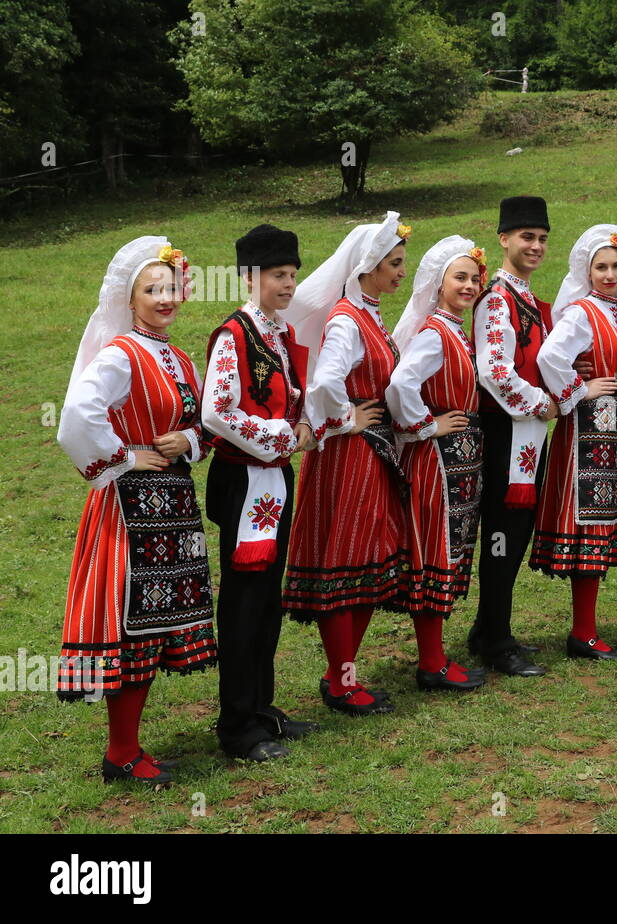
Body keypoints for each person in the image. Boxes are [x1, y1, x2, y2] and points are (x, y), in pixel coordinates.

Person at [58, 236, 216, 784]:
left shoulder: (177, 356)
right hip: (129, 508)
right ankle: (121, 752)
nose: (165, 298)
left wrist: (186, 443)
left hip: (171, 505)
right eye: (153, 290)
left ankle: (127, 748)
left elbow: (202, 426)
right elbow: (76, 416)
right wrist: (124, 457)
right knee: (132, 629)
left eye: (172, 288)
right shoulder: (121, 355)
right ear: (131, 298)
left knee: (154, 626)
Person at [281, 211, 410, 716]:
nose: (402, 272)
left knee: (367, 565)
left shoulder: (368, 313)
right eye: (394, 264)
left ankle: (342, 675)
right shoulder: (346, 319)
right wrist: (345, 420)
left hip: (371, 451)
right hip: (350, 455)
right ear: (369, 266)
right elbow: (324, 381)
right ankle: (340, 682)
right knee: (347, 563)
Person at [202, 224, 321, 759]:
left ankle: (260, 706)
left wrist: (299, 430)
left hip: (273, 476)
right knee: (244, 601)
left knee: (267, 597)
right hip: (246, 478)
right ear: (249, 277)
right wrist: (277, 437)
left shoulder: (274, 332)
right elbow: (216, 411)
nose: (289, 284)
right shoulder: (234, 335)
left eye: (292, 274)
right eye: (278, 275)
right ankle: (236, 724)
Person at [531, 224, 617, 660]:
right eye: (601, 267)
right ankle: (583, 632)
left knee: (602, 519)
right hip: (588, 426)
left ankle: (585, 629)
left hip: (614, 425)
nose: (610, 274)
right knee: (589, 522)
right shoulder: (582, 311)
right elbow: (549, 356)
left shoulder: (613, 311)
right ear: (588, 271)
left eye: (616, 266)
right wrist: (580, 390)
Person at [387, 235, 490, 692]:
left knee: (451, 548)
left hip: (460, 460)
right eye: (460, 278)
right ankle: (431, 661)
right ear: (439, 283)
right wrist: (427, 425)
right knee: (434, 550)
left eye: (474, 278)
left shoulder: (453, 330)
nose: (469, 285)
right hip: (437, 463)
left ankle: (436, 656)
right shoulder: (433, 333)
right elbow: (400, 385)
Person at [467, 196, 558, 677]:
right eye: (527, 237)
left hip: (527, 431)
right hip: (506, 427)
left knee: (514, 532)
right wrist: (543, 402)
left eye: (542, 238)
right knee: (503, 533)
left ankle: (488, 626)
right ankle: (496, 640)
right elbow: (494, 371)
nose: (536, 245)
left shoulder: (523, 297)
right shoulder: (497, 299)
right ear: (503, 239)